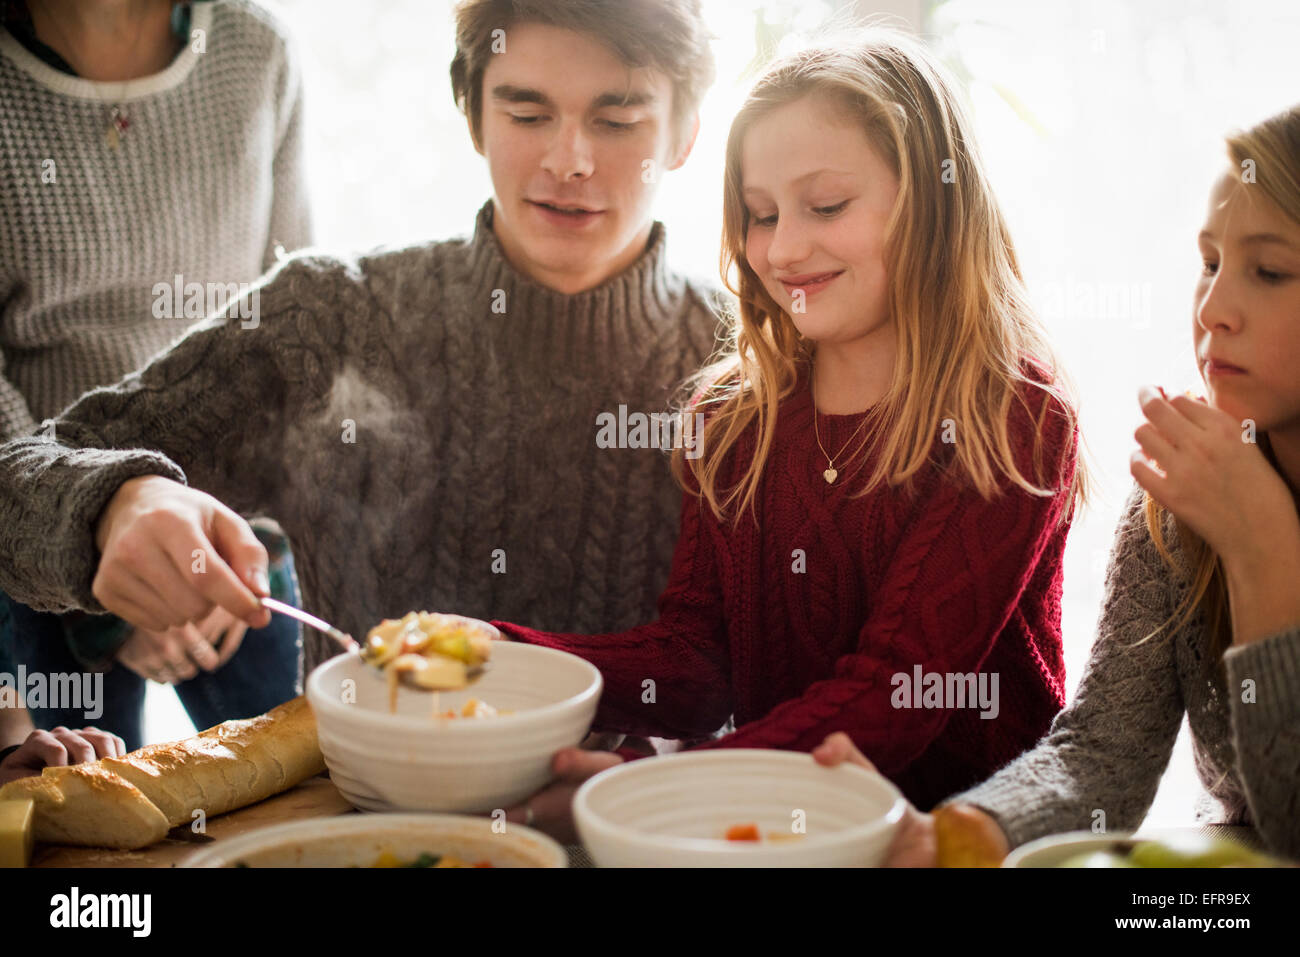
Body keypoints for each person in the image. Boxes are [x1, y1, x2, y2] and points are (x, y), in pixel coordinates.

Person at [0, 0, 724, 762]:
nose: (569, 159)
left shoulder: (752, 365)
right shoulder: (330, 315)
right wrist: (114, 501)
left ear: (684, 135)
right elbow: (15, 479)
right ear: (475, 118)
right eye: (527, 113)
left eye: (617, 121)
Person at [488, 28, 1088, 845]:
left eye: (827, 206)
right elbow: (697, 663)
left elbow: (894, 695)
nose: (784, 248)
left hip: (963, 849)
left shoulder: (1010, 414)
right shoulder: (734, 419)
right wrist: (510, 658)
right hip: (786, 839)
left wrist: (655, 787)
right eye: (760, 215)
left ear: (934, 200)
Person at [814, 104, 1300, 865]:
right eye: (1209, 263)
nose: (1212, 310)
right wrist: (967, 829)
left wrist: (1266, 548)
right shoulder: (1183, 502)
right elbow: (1103, 751)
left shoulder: (1234, 505)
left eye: (1269, 271)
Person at [0, 0, 310, 751]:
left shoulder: (253, 48)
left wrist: (236, 540)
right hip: (37, 546)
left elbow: (292, 315)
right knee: (81, 829)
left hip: (239, 540)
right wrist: (97, 575)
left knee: (315, 790)